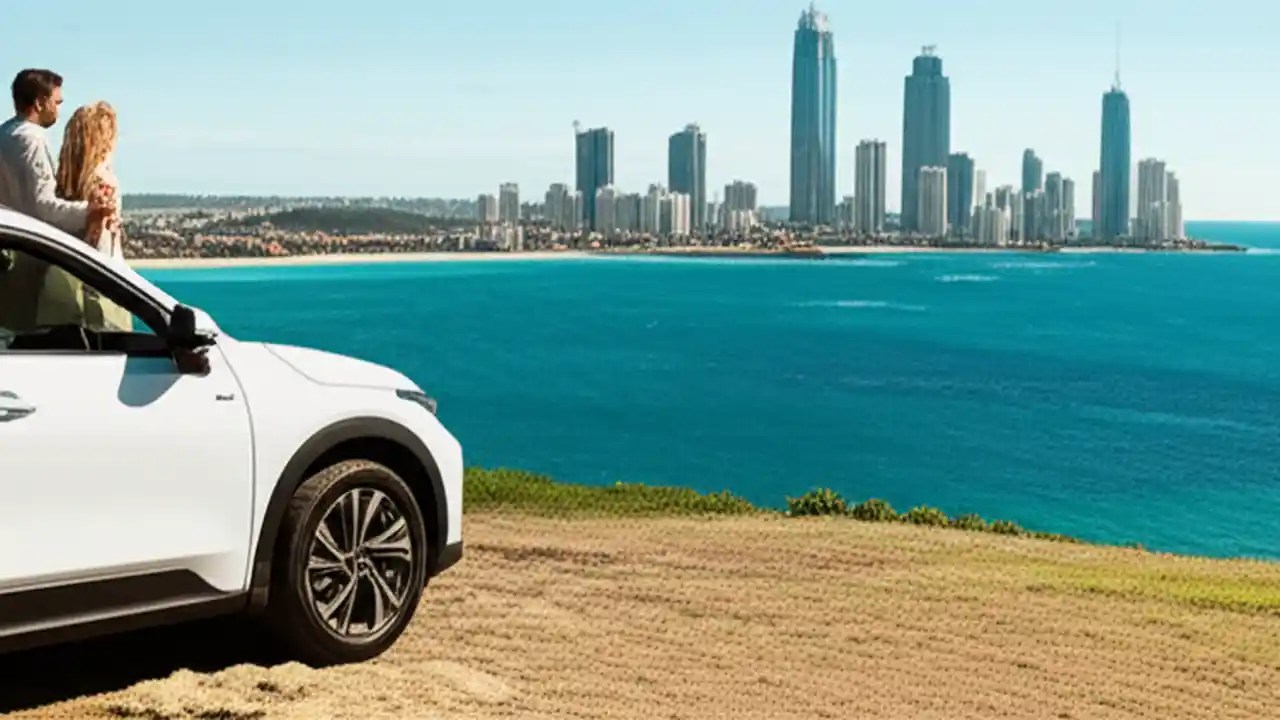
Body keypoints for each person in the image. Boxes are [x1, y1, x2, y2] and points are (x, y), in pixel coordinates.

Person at [51, 100, 131, 329]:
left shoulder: (63, 185)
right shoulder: (104, 183)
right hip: (102, 298)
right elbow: (100, 248)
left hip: (61, 296)